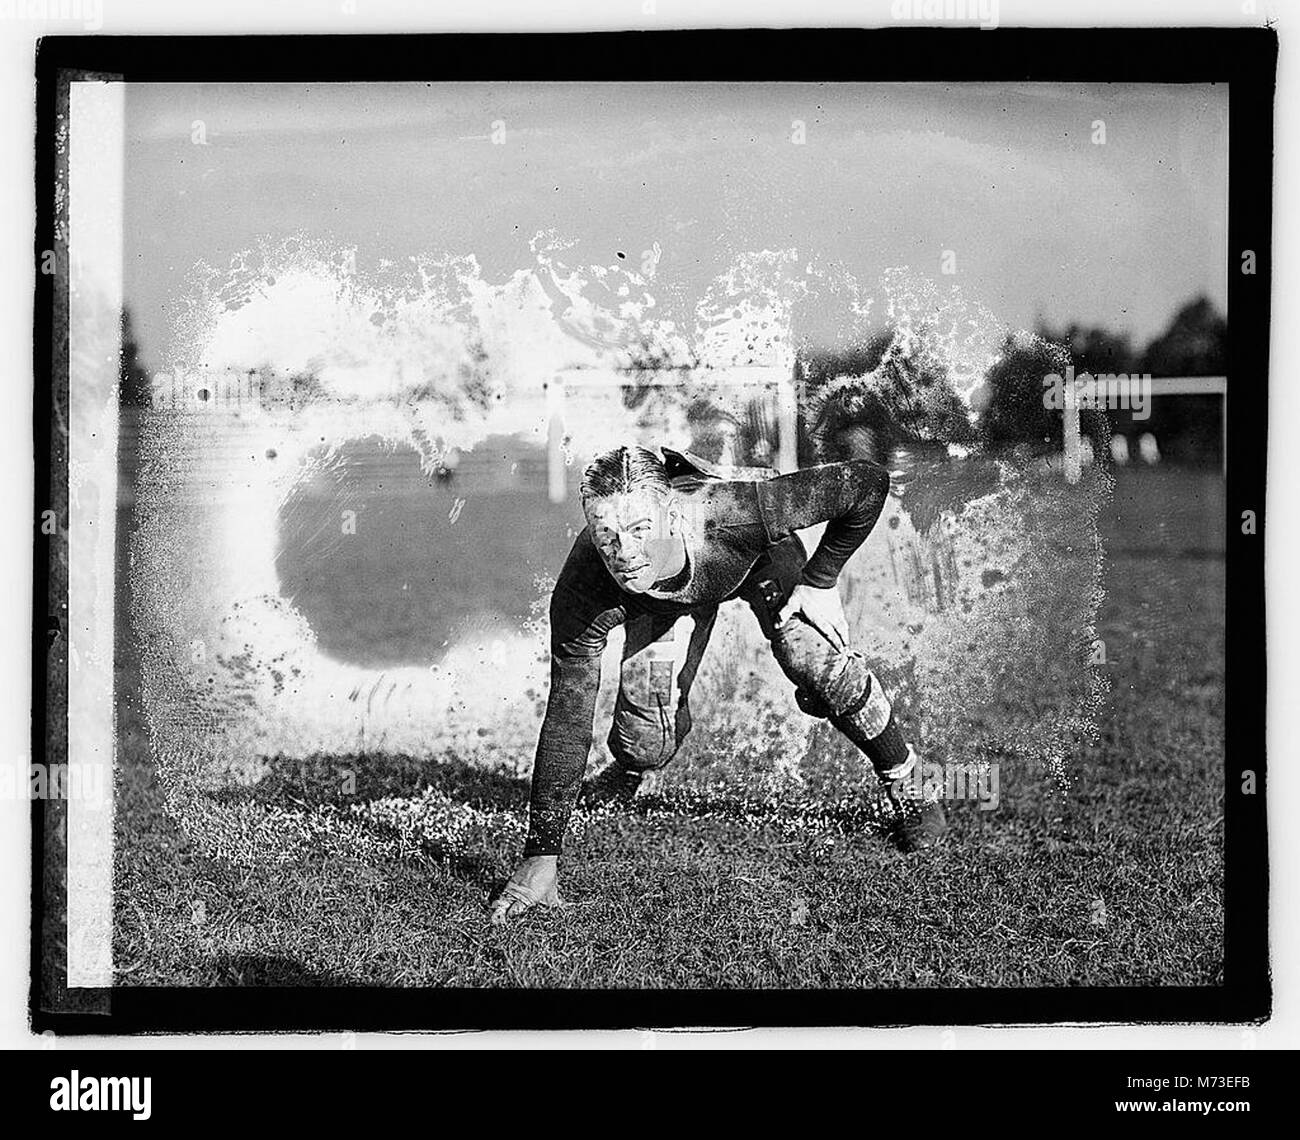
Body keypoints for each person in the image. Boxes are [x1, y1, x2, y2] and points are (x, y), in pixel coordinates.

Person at [488, 444, 945, 923]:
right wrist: (541, 856)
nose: (625, 554)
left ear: (669, 513)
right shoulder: (585, 585)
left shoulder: (735, 516)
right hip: (662, 602)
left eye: (641, 529)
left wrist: (822, 579)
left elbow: (868, 483)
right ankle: (628, 771)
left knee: (813, 660)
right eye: (607, 536)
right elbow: (568, 711)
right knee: (646, 740)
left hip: (754, 562)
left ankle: (910, 782)